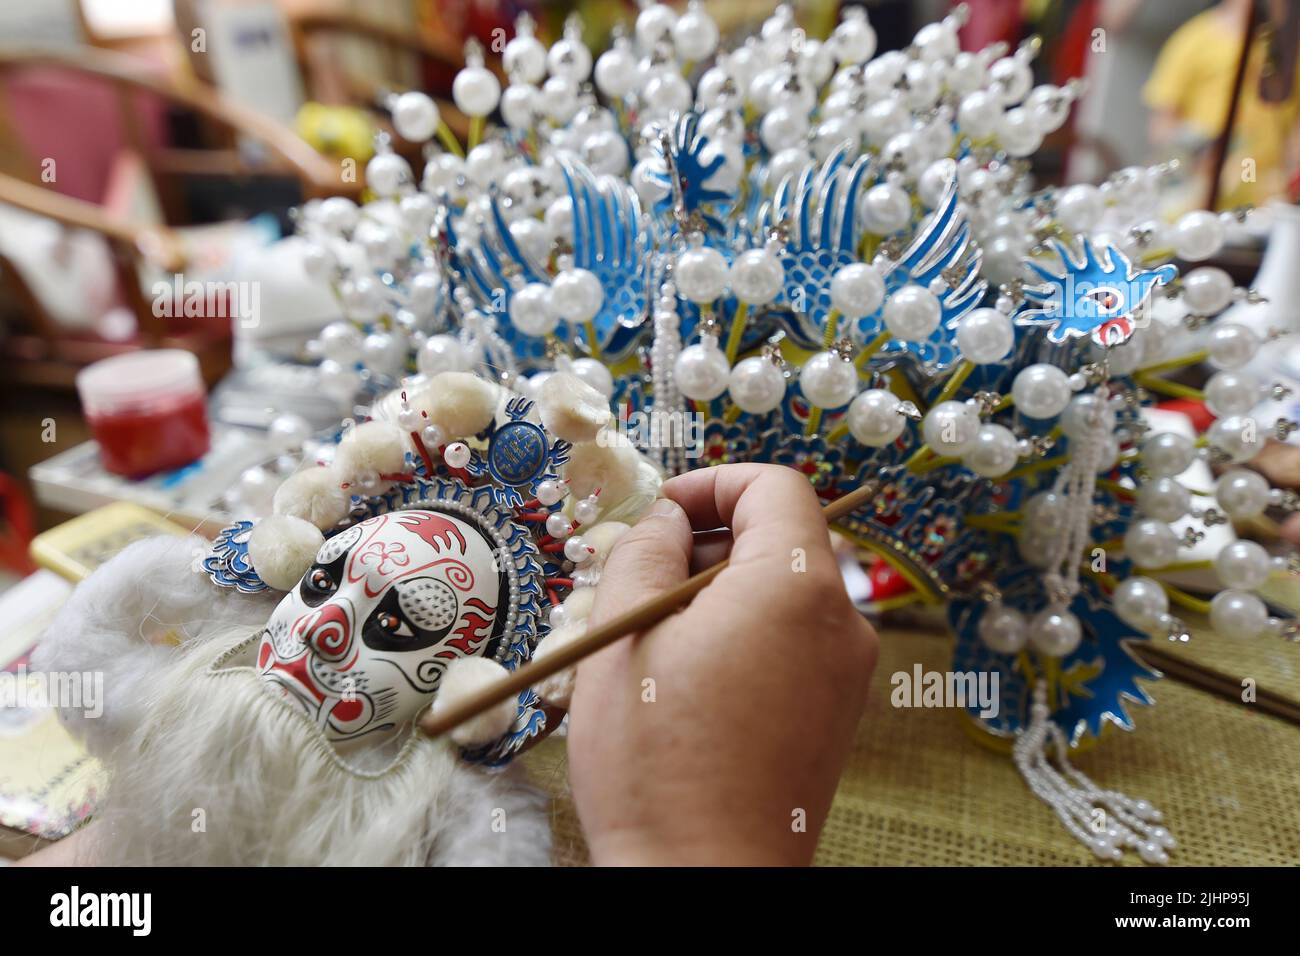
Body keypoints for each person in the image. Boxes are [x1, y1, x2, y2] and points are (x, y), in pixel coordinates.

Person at [20, 464, 877, 866]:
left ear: (465, 689)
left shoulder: (454, 822)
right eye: (322, 580)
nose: (324, 630)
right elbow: (89, 647)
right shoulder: (175, 719)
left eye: (401, 623)